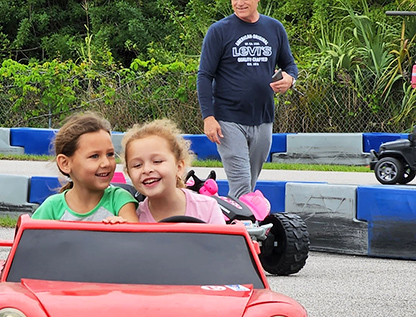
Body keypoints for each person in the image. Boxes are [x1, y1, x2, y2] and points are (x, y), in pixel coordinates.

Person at [197, 0, 298, 198]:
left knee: (249, 183)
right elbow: (204, 76)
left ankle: (232, 222)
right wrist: (208, 117)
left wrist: (290, 79)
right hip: (228, 119)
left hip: (263, 118)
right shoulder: (219, 31)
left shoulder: (274, 28)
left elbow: (290, 65)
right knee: (241, 183)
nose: (239, 3)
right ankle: (244, 226)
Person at [31, 111, 138, 223]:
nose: (106, 163)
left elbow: (134, 236)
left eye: (110, 154)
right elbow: (31, 239)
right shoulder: (52, 207)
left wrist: (123, 228)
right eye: (94, 156)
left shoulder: (119, 199)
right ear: (65, 163)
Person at [122, 119, 225, 224]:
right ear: (129, 174)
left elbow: (222, 240)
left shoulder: (208, 208)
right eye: (137, 165)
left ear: (179, 167)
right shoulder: (135, 218)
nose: (147, 170)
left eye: (157, 161)